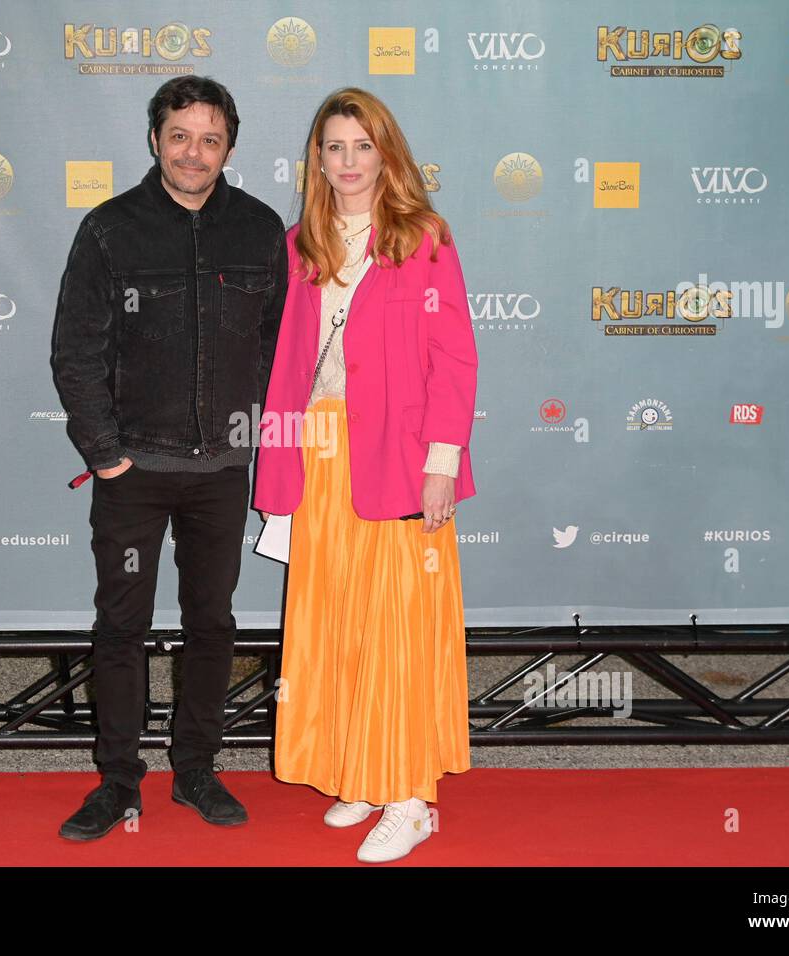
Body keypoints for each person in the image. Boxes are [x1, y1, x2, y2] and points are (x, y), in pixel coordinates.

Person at [50, 75, 287, 841]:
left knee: (210, 623)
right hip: (135, 473)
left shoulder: (259, 229)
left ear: (229, 148)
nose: (194, 151)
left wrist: (249, 437)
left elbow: (275, 347)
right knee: (120, 625)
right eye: (180, 135)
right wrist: (107, 454)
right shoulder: (110, 230)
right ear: (155, 139)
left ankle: (196, 769)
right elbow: (75, 351)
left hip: (221, 472)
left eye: (210, 138)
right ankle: (119, 779)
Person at [254, 88, 478, 863]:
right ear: (317, 159)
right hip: (318, 450)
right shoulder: (302, 243)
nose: (348, 163)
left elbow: (453, 359)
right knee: (336, 619)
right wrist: (279, 460)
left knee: (396, 626)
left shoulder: (423, 238)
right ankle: (361, 769)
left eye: (362, 146)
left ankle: (409, 796)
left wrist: (441, 464)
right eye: (334, 148)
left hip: (396, 456)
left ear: (387, 153)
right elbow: (288, 368)